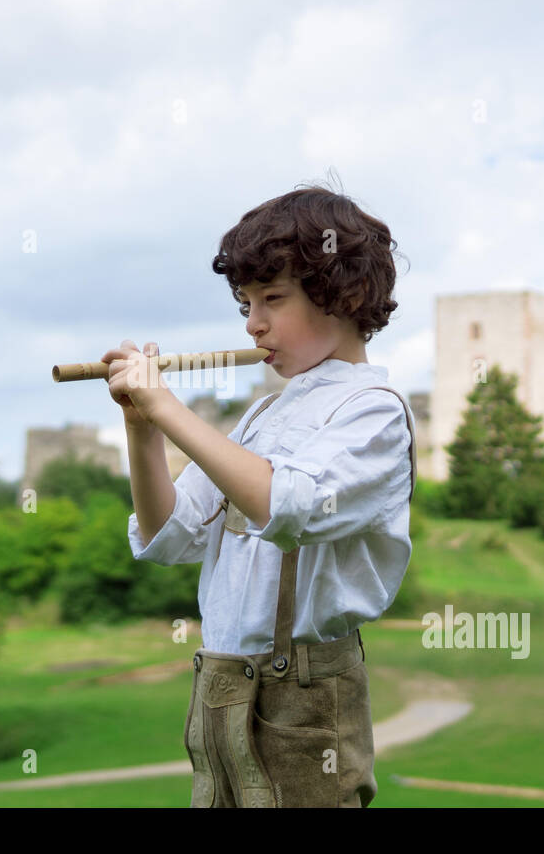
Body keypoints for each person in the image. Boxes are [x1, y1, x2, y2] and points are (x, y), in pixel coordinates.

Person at [102, 184, 416, 807]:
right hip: (219, 696)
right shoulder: (259, 420)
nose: (253, 323)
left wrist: (168, 404)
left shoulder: (372, 414)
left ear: (341, 294)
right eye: (246, 303)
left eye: (273, 298)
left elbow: (287, 507)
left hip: (305, 705)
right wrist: (142, 427)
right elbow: (169, 535)